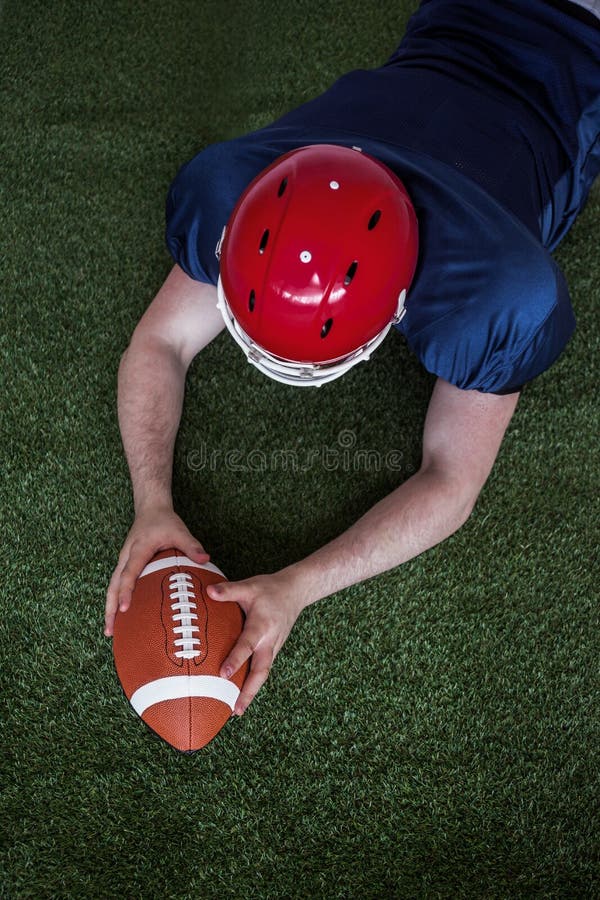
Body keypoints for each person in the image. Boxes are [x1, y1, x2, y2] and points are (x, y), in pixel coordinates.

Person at [104, 0, 600, 717]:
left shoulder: (498, 294)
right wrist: (152, 505)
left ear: (404, 300)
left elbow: (453, 481)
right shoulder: (235, 195)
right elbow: (159, 343)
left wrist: (300, 584)